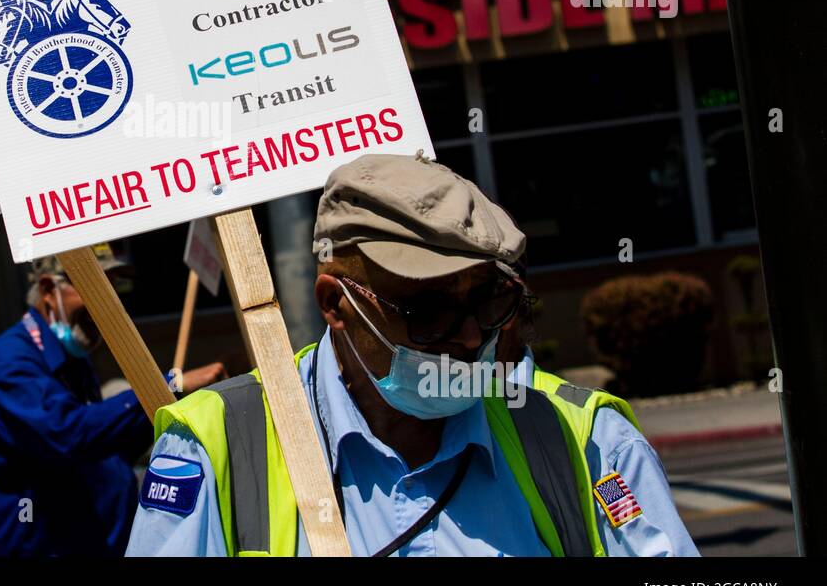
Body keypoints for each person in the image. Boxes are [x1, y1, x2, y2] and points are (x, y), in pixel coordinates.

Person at [126, 153, 698, 556]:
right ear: (336, 303)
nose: (471, 337)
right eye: (428, 312)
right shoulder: (217, 445)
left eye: (489, 300)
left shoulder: (585, 438)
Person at [0, 255, 227, 556]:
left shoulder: (73, 359)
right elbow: (69, 434)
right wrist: (167, 385)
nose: (107, 306)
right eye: (96, 290)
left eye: (114, 291)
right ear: (50, 290)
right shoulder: (10, 362)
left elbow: (105, 444)